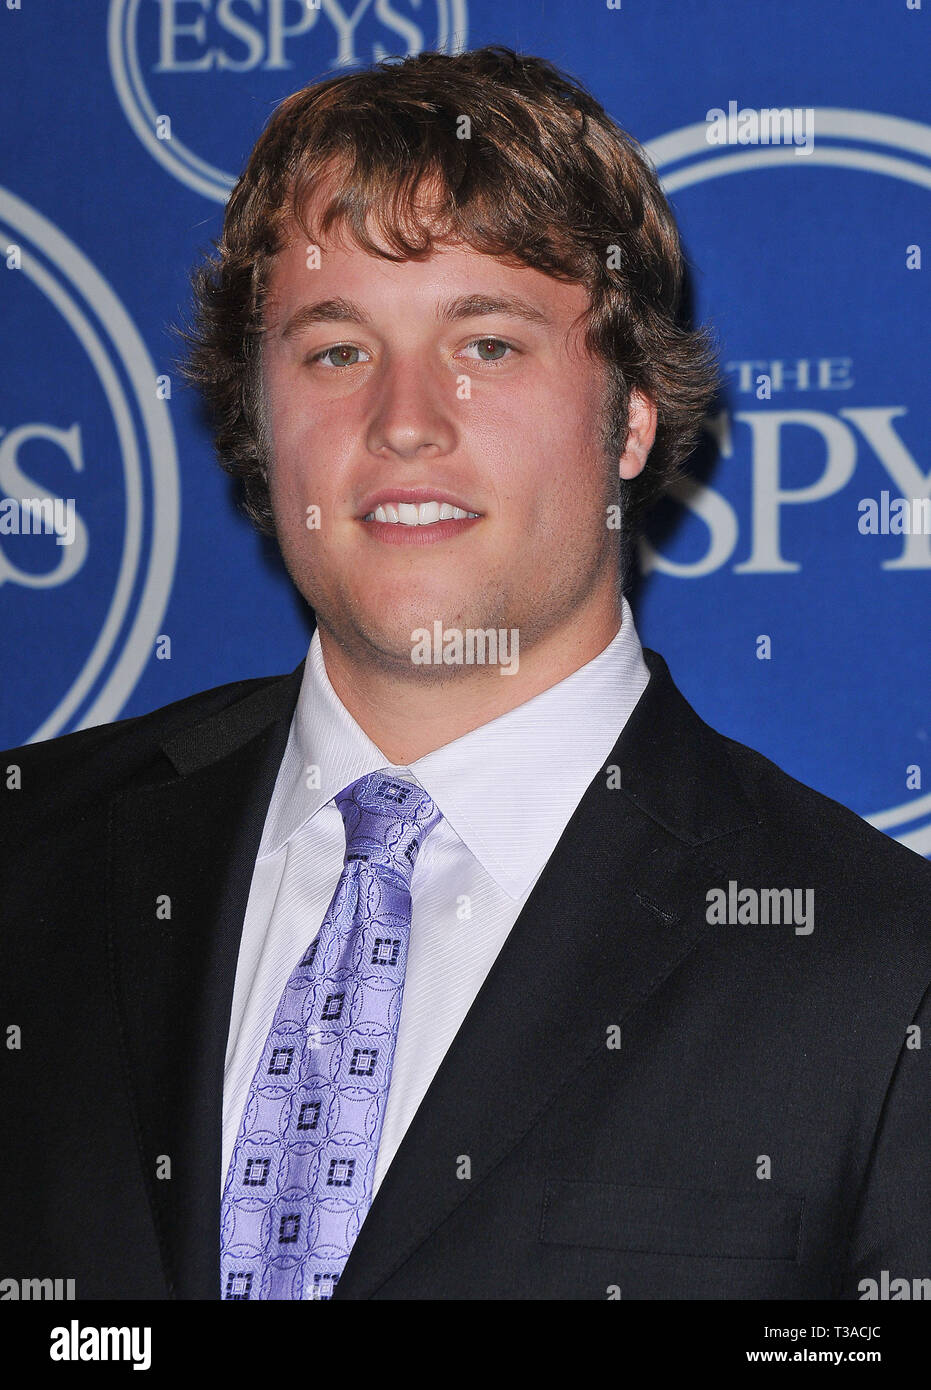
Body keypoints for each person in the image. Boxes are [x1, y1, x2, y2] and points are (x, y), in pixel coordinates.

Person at [2, 45, 929, 1302]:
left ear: (630, 416)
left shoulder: (881, 970)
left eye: (487, 345)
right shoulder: (30, 857)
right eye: (336, 351)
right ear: (256, 417)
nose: (403, 420)